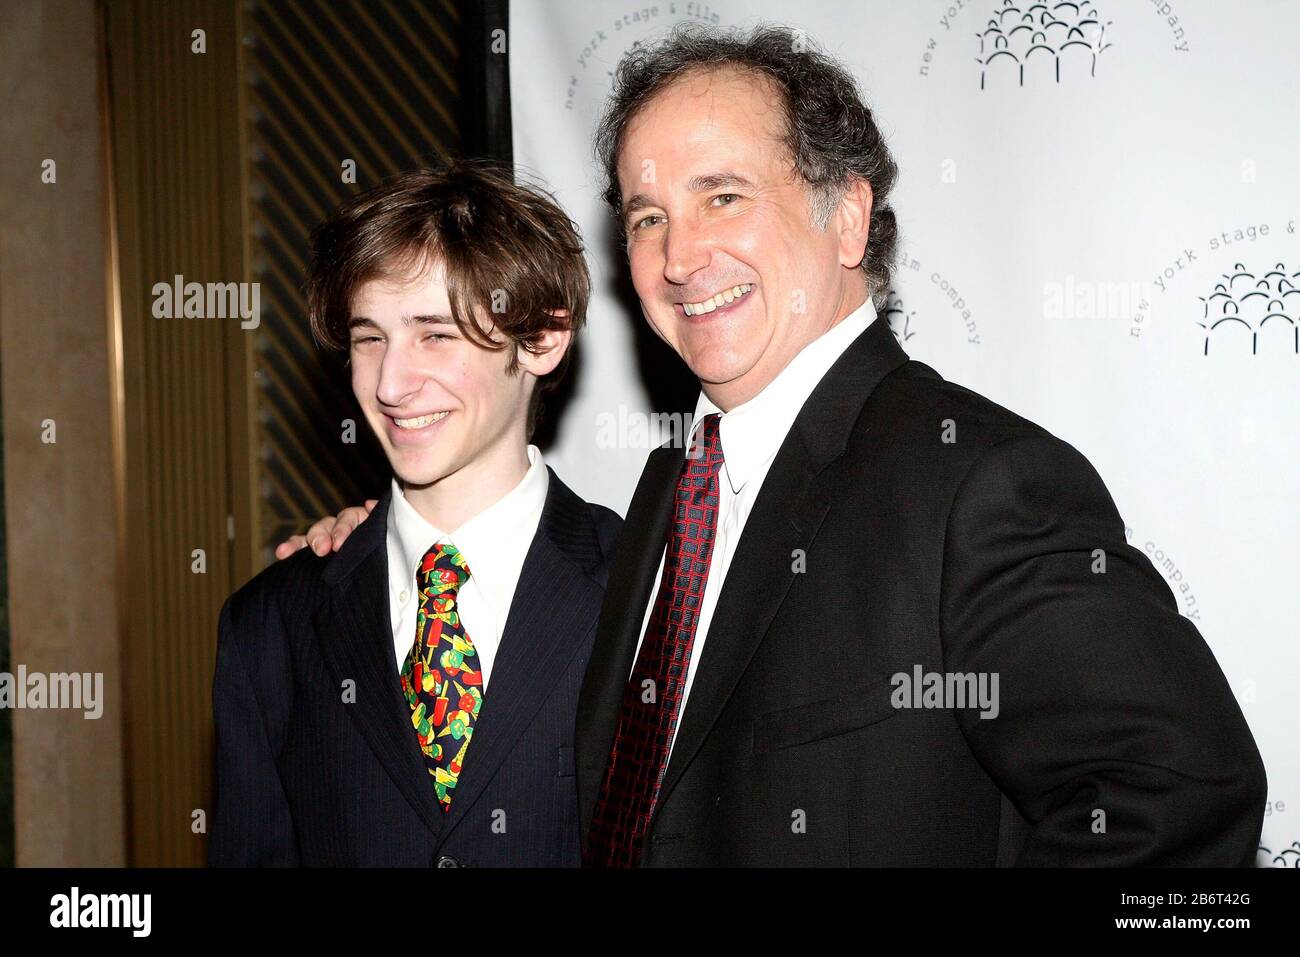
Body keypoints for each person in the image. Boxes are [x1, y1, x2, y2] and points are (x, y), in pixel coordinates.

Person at [284, 25, 1266, 867]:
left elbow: (1179, 795)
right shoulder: (671, 495)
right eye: (648, 216)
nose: (677, 256)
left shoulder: (973, 484)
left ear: (846, 215)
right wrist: (405, 549)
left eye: (723, 197)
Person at [209, 161, 620, 866]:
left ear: (543, 338)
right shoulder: (270, 624)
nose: (390, 384)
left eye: (435, 334)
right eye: (370, 338)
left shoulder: (650, 592)